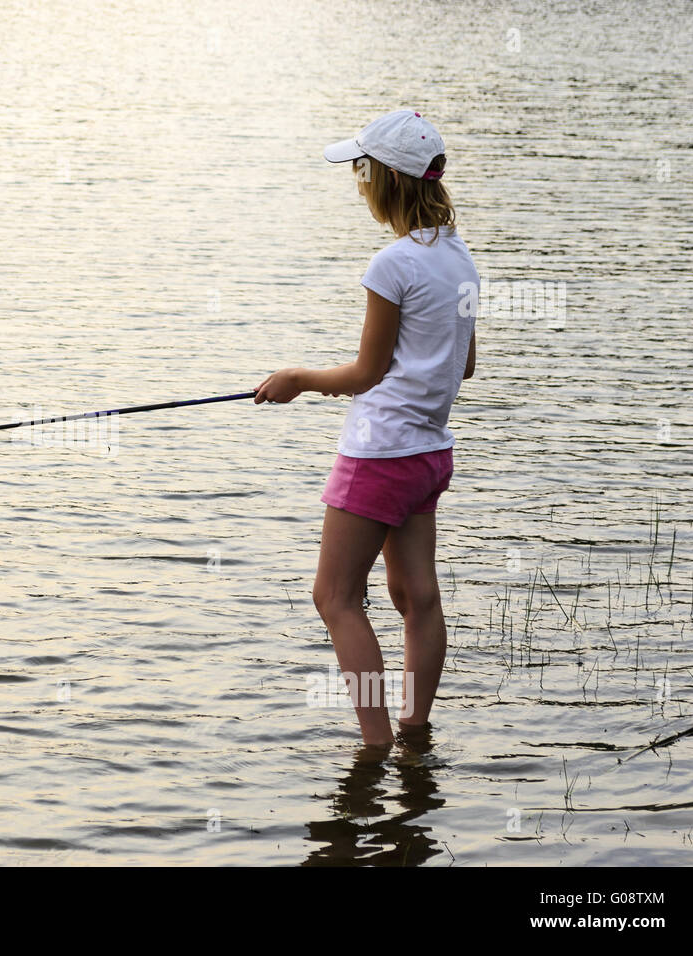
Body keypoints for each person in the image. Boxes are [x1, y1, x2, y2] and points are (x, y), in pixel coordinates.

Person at [255, 109, 479, 749]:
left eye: (362, 170)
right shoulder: (460, 259)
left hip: (380, 456)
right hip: (430, 454)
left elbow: (365, 374)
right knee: (418, 597)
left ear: (386, 178)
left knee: (335, 598)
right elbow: (463, 363)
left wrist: (297, 377)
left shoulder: (392, 265)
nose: (358, 181)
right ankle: (415, 733)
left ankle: (376, 746)